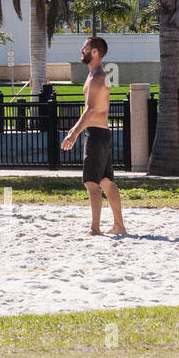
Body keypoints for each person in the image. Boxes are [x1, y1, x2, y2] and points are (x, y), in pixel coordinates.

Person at [61, 37, 126, 236]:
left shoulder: (98, 77)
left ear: (95, 51)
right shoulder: (94, 74)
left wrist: (73, 132)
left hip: (96, 134)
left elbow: (90, 109)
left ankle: (95, 228)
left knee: (91, 182)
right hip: (100, 133)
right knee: (106, 180)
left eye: (85, 46)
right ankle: (119, 226)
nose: (81, 49)